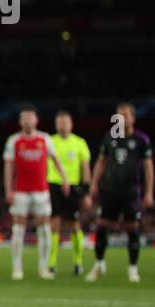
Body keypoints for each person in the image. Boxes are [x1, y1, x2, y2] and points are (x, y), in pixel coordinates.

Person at [87, 102, 153, 283]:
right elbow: (101, 162)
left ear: (133, 118)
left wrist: (149, 191)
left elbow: (148, 167)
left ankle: (133, 268)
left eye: (125, 115)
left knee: (132, 227)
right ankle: (99, 263)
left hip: (131, 191)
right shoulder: (109, 138)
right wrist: (94, 183)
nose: (121, 119)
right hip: (110, 190)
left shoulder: (141, 140)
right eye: (118, 115)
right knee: (102, 225)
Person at [2, 106, 68, 280]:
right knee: (18, 230)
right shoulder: (13, 141)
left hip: (41, 191)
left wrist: (65, 179)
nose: (28, 121)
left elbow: (56, 160)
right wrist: (8, 189)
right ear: (20, 121)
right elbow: (8, 167)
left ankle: (43, 268)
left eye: (31, 118)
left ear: (36, 120)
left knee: (44, 230)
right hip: (21, 192)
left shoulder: (45, 139)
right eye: (24, 118)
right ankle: (17, 269)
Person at [46, 110, 92, 276]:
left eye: (66, 122)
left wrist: (86, 192)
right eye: (60, 122)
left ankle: (77, 262)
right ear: (56, 124)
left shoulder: (79, 143)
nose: (63, 125)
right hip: (53, 184)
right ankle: (51, 263)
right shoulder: (49, 141)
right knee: (54, 224)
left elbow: (85, 168)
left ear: (71, 124)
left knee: (74, 224)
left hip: (73, 187)